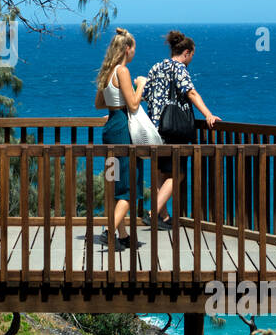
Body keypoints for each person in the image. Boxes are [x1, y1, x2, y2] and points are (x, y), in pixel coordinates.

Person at [141, 31, 221, 227]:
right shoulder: (179, 68)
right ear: (187, 52)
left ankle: (163, 216)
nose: (192, 58)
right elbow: (191, 92)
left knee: (161, 174)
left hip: (155, 128)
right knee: (178, 174)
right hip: (173, 129)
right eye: (192, 55)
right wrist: (208, 114)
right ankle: (152, 213)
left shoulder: (156, 67)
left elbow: (143, 95)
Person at [94, 27, 148, 250]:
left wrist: (115, 107)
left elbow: (98, 104)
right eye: (134, 48)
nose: (135, 52)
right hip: (123, 133)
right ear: (127, 49)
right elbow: (134, 104)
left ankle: (123, 235)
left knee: (113, 181)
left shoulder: (106, 71)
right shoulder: (122, 72)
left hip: (110, 131)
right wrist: (141, 85)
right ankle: (109, 231)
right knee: (130, 188)